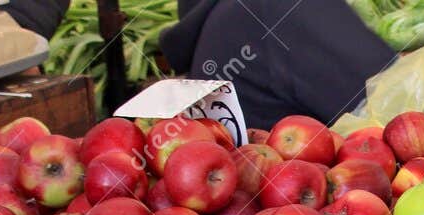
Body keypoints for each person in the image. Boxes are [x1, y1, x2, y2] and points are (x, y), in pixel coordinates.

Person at [159, 0, 398, 130]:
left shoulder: (232, 11)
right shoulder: (283, 8)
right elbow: (404, 107)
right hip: (315, 203)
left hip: (275, 199)